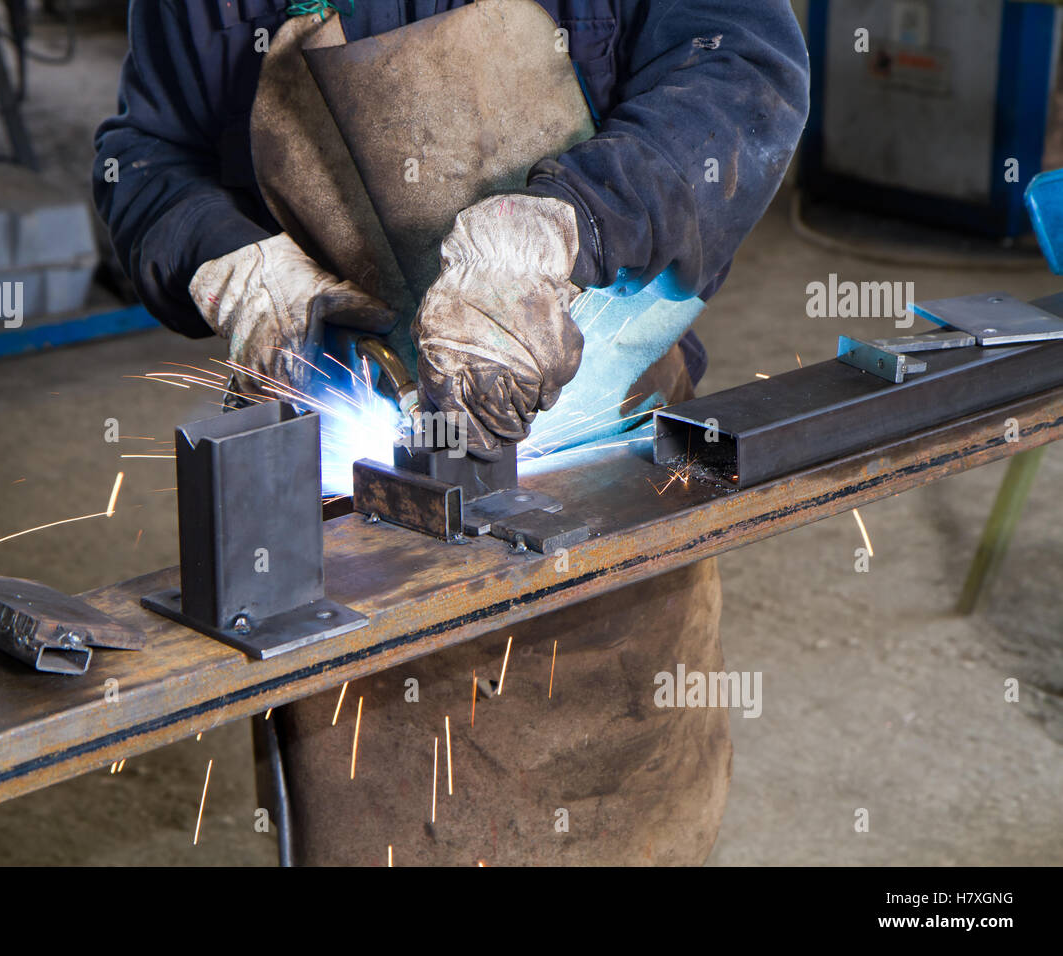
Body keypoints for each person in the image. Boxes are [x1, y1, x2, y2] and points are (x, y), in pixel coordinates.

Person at [95, 0, 809, 865]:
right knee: (369, 811)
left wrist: (572, 223)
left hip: (600, 448)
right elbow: (141, 156)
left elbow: (744, 72)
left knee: (624, 817)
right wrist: (223, 257)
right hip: (341, 481)